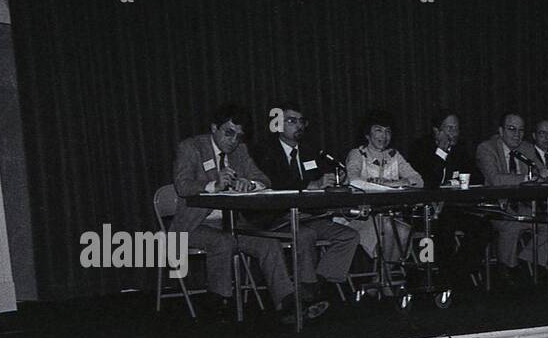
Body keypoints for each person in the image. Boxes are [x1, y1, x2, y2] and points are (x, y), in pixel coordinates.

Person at [170, 103, 326, 326]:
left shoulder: (240, 151)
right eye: (228, 133)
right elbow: (182, 186)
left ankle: (288, 303)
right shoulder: (191, 147)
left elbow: (264, 181)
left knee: (268, 244)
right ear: (214, 128)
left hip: (232, 224)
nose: (233, 141)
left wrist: (250, 184)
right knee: (222, 242)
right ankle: (219, 303)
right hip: (193, 226)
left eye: (238, 136)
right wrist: (213, 185)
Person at [250, 101, 358, 296]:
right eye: (292, 121)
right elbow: (272, 182)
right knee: (306, 235)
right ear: (277, 124)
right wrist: (312, 185)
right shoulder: (263, 150)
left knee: (349, 236)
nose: (298, 126)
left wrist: (334, 178)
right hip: (277, 218)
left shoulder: (310, 150)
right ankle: (308, 292)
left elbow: (321, 177)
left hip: (308, 216)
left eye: (302, 121)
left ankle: (319, 283)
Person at [408, 109, 492, 290]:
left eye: (456, 128)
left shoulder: (460, 148)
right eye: (449, 128)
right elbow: (427, 181)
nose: (453, 133)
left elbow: (477, 178)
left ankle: (457, 272)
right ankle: (444, 275)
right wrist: (441, 152)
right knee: (444, 227)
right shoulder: (421, 147)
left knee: (484, 227)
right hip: (426, 210)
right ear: (436, 131)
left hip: (455, 206)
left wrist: (457, 181)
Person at [475, 112, 548, 280]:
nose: (517, 134)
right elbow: (495, 179)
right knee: (513, 225)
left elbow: (541, 170)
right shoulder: (486, 148)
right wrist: (527, 178)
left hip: (524, 207)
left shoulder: (526, 148)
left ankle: (530, 262)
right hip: (497, 208)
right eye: (511, 129)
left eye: (520, 130)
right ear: (501, 131)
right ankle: (506, 269)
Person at [344, 110, 423, 267]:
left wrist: (392, 183)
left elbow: (418, 181)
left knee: (399, 228)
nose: (384, 136)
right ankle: (384, 283)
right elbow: (353, 180)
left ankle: (381, 283)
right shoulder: (357, 154)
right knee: (390, 228)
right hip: (361, 216)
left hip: (389, 215)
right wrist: (378, 185)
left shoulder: (394, 155)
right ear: (367, 134)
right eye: (378, 130)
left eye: (388, 131)